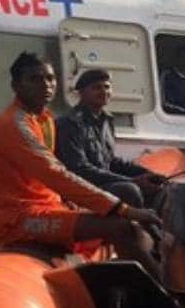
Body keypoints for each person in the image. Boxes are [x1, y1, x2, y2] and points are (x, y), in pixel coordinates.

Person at [0, 52, 162, 277]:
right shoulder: (15, 125)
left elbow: (58, 174)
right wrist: (122, 208)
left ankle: (151, 275)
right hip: (16, 218)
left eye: (50, 79)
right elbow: (55, 173)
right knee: (121, 224)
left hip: (46, 206)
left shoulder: (44, 119)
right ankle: (168, 301)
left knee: (132, 227)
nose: (45, 85)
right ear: (16, 86)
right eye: (35, 79)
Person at [56, 68, 166, 208]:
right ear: (82, 93)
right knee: (129, 190)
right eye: (96, 88)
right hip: (81, 188)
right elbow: (79, 169)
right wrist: (133, 181)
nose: (103, 92)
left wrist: (148, 174)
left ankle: (151, 227)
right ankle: (135, 227)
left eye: (107, 87)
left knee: (159, 188)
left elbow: (111, 161)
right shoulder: (69, 123)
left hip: (104, 183)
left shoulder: (106, 120)